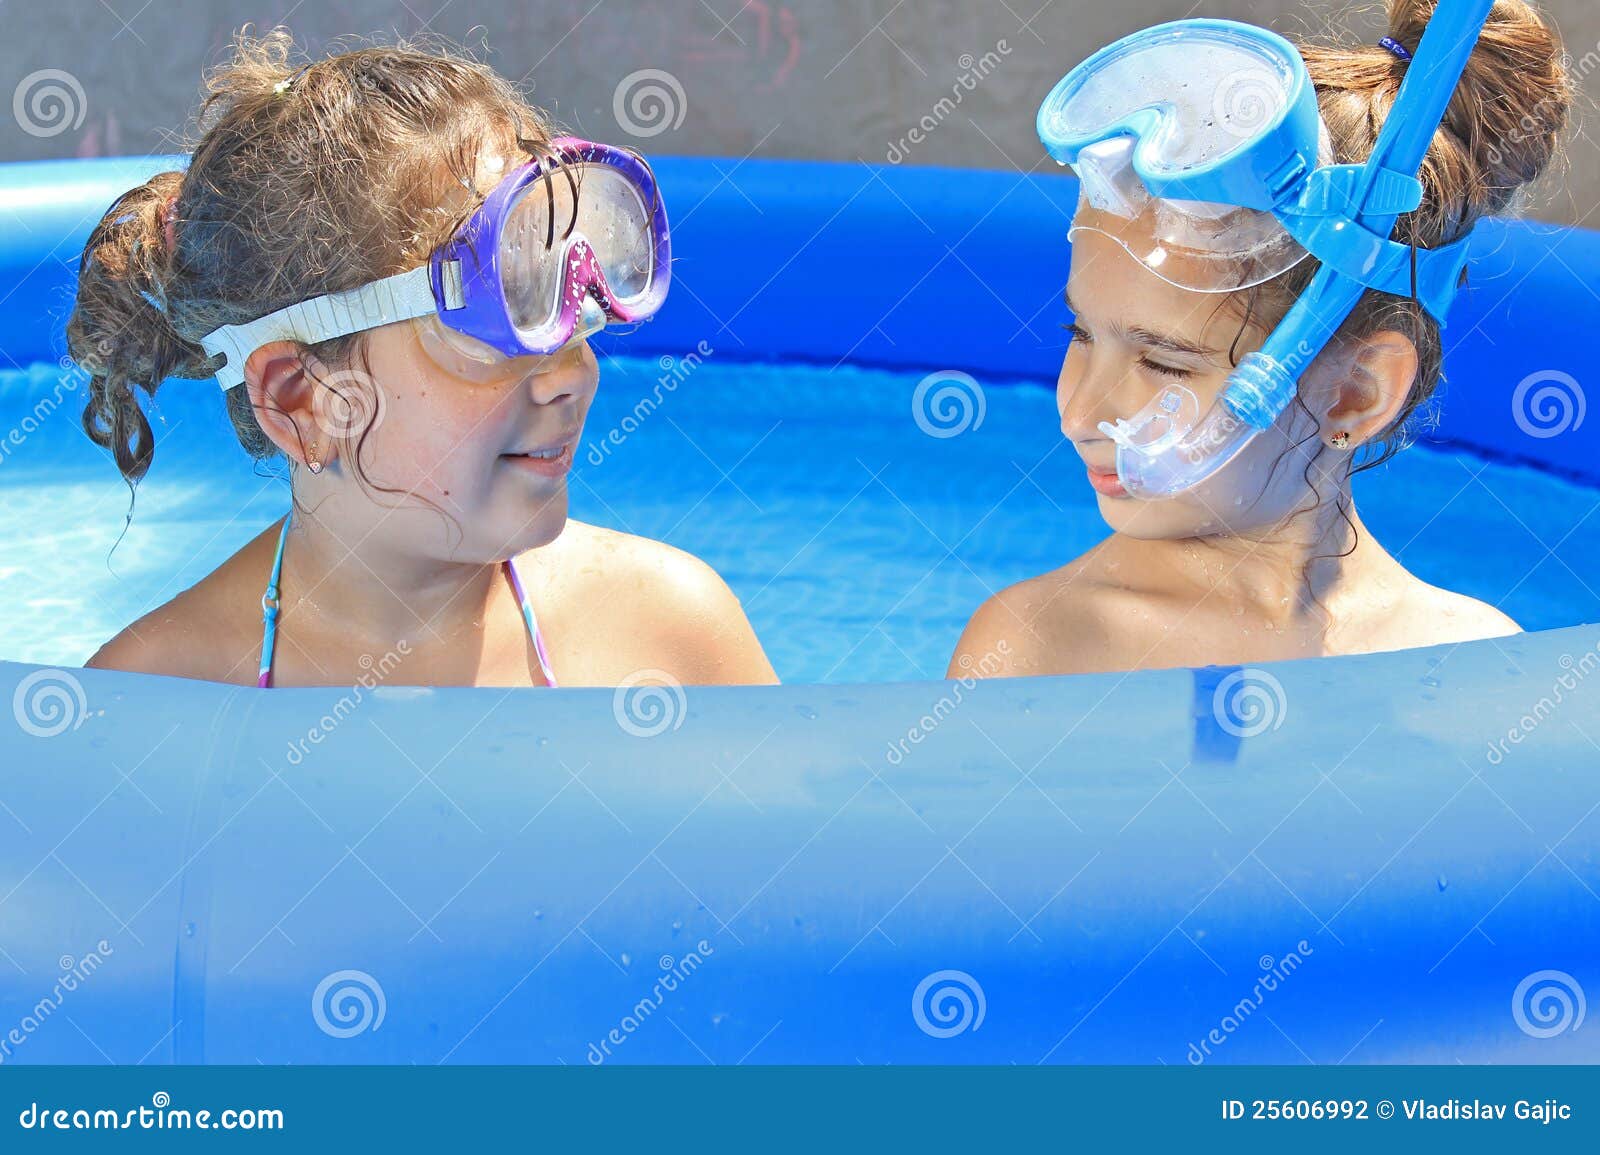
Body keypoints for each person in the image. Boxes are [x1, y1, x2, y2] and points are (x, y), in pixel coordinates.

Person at [71, 32, 776, 689]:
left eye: (566, 305)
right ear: (300, 398)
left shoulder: (668, 636)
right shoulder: (156, 691)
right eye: (495, 325)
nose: (573, 373)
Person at [951, 0, 1572, 678]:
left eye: (1165, 362)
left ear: (1356, 394)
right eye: (1080, 332)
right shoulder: (1039, 649)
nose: (1078, 413)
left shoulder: (1473, 665)